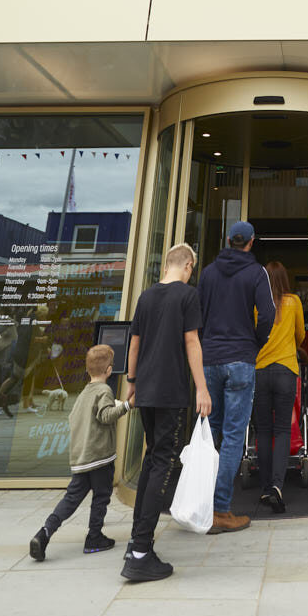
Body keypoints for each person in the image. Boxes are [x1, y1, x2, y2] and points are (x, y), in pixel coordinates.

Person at [122, 242, 210, 582]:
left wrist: (131, 382)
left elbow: (135, 343)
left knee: (151, 458)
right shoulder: (188, 296)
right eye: (192, 267)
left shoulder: (146, 297)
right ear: (187, 265)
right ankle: (141, 552)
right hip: (171, 391)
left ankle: (135, 542)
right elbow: (192, 342)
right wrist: (202, 388)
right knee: (163, 463)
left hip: (144, 389)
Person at [198, 220, 275, 533]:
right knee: (232, 436)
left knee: (208, 433)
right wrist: (255, 342)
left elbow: (197, 313)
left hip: (209, 358)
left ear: (228, 240)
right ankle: (220, 510)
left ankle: (201, 505)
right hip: (241, 359)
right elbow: (268, 313)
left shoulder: (207, 272)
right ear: (251, 241)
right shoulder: (257, 273)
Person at [29, 344, 130, 562]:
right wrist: (126, 406)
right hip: (100, 457)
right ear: (109, 370)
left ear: (88, 369)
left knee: (71, 498)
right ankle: (94, 537)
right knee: (101, 497)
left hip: (81, 458)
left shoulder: (84, 393)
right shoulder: (104, 390)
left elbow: (77, 419)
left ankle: (45, 532)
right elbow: (105, 415)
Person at [254, 261, 305, 513]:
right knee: (283, 429)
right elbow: (301, 335)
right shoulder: (293, 301)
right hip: (286, 370)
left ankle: (265, 487)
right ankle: (277, 485)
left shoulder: (257, 303)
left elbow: (252, 333)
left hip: (260, 371)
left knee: (263, 429)